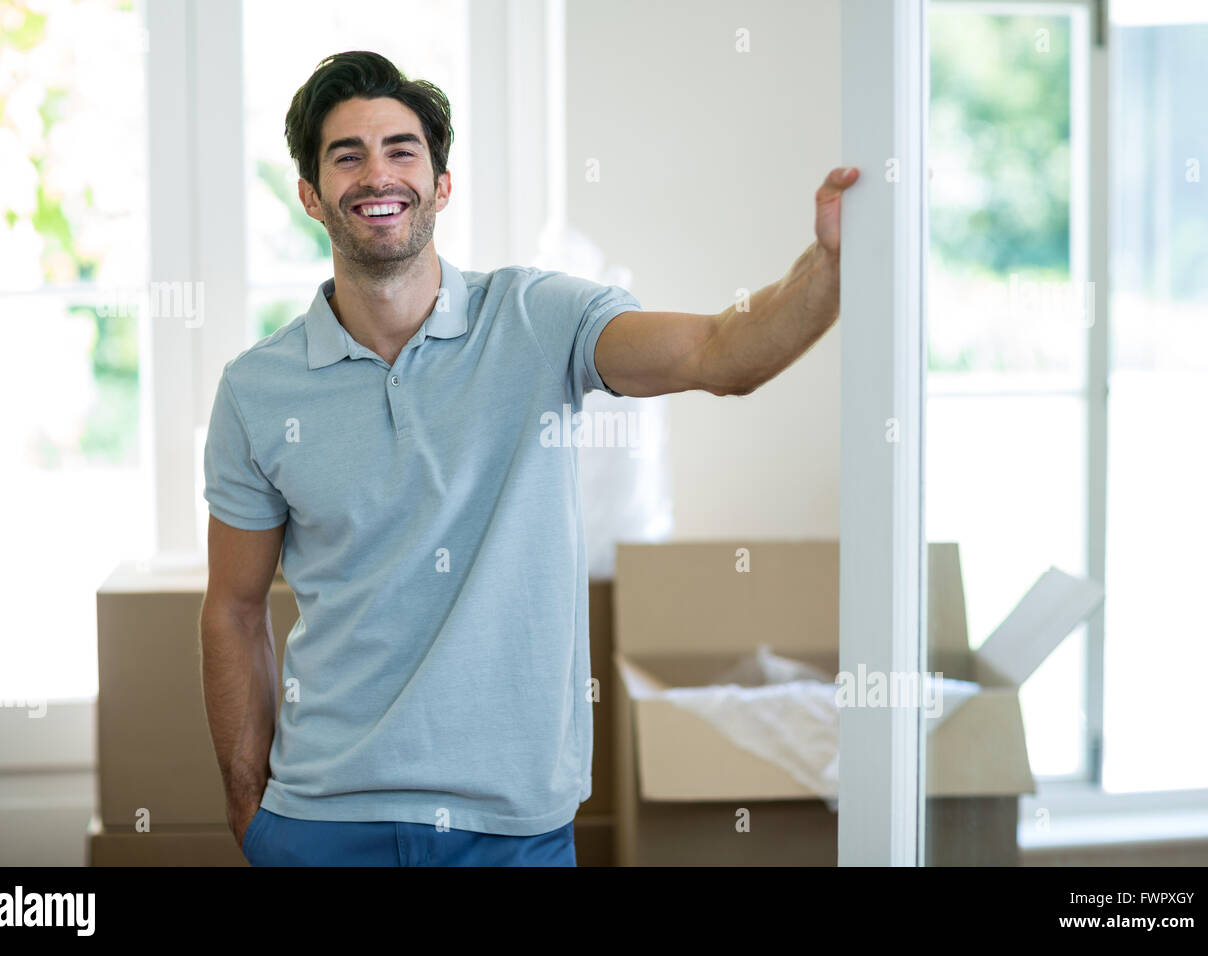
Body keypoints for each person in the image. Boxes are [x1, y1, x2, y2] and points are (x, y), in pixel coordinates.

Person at [199, 50, 856, 867]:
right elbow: (233, 608)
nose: (379, 174)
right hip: (324, 820)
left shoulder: (541, 319)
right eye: (348, 155)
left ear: (441, 185)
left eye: (403, 150)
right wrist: (250, 813)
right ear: (309, 193)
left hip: (509, 830)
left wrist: (828, 266)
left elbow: (720, 355)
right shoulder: (259, 389)